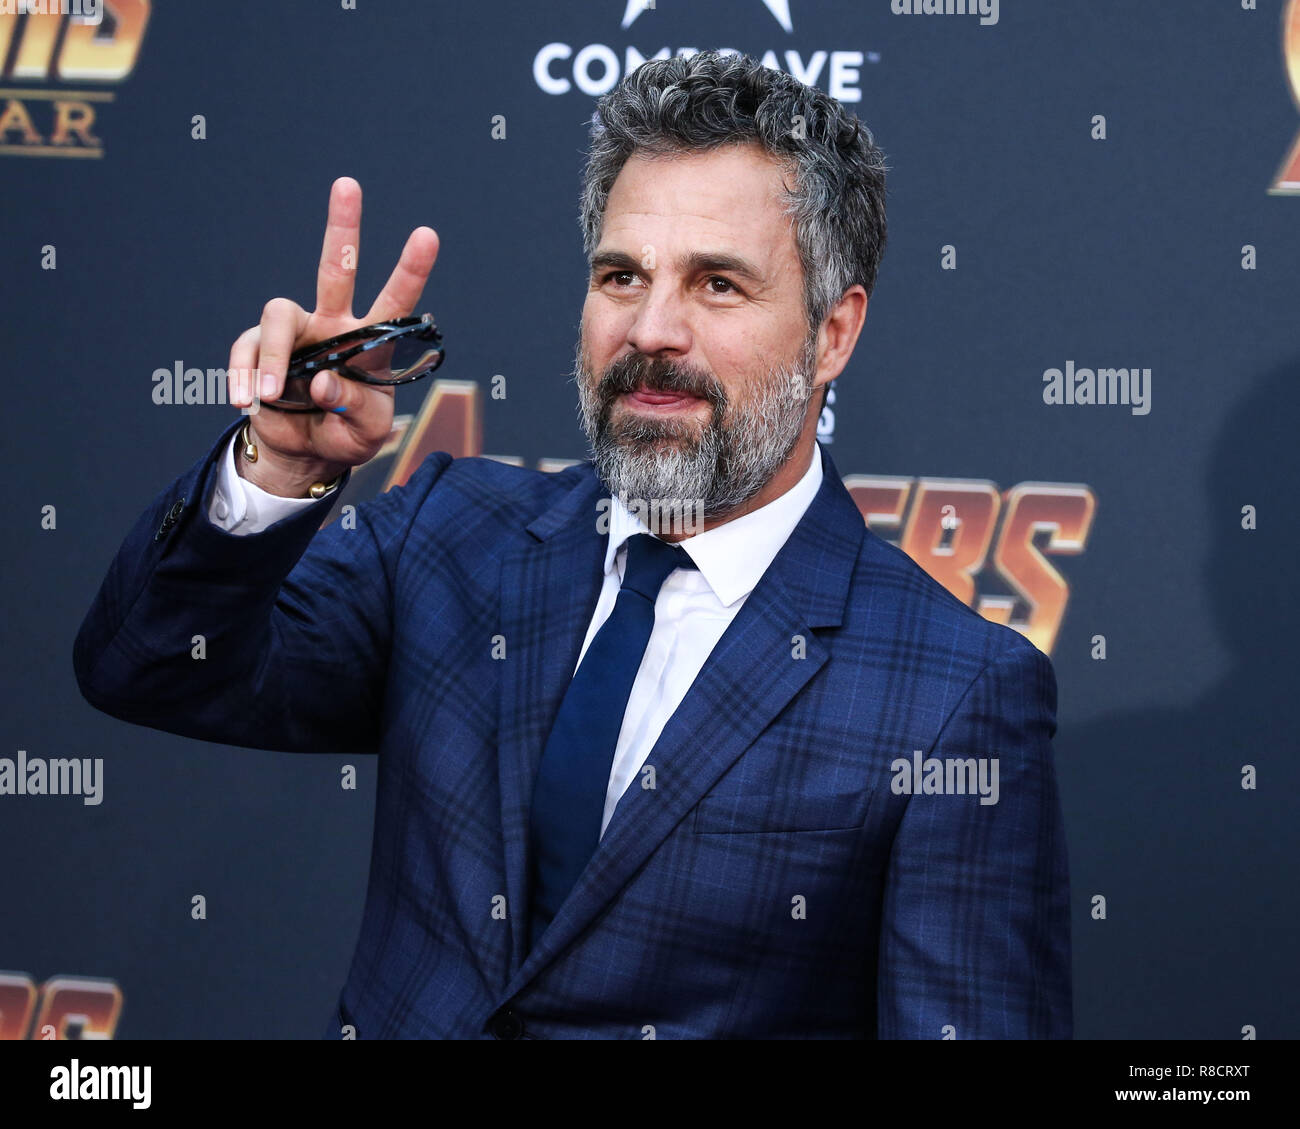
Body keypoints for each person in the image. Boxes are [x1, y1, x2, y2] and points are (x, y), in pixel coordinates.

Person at [74, 52, 1071, 1039]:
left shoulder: (951, 697)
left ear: (832, 332)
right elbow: (150, 667)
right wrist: (280, 464)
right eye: (619, 274)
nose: (651, 329)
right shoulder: (451, 536)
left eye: (717, 284)